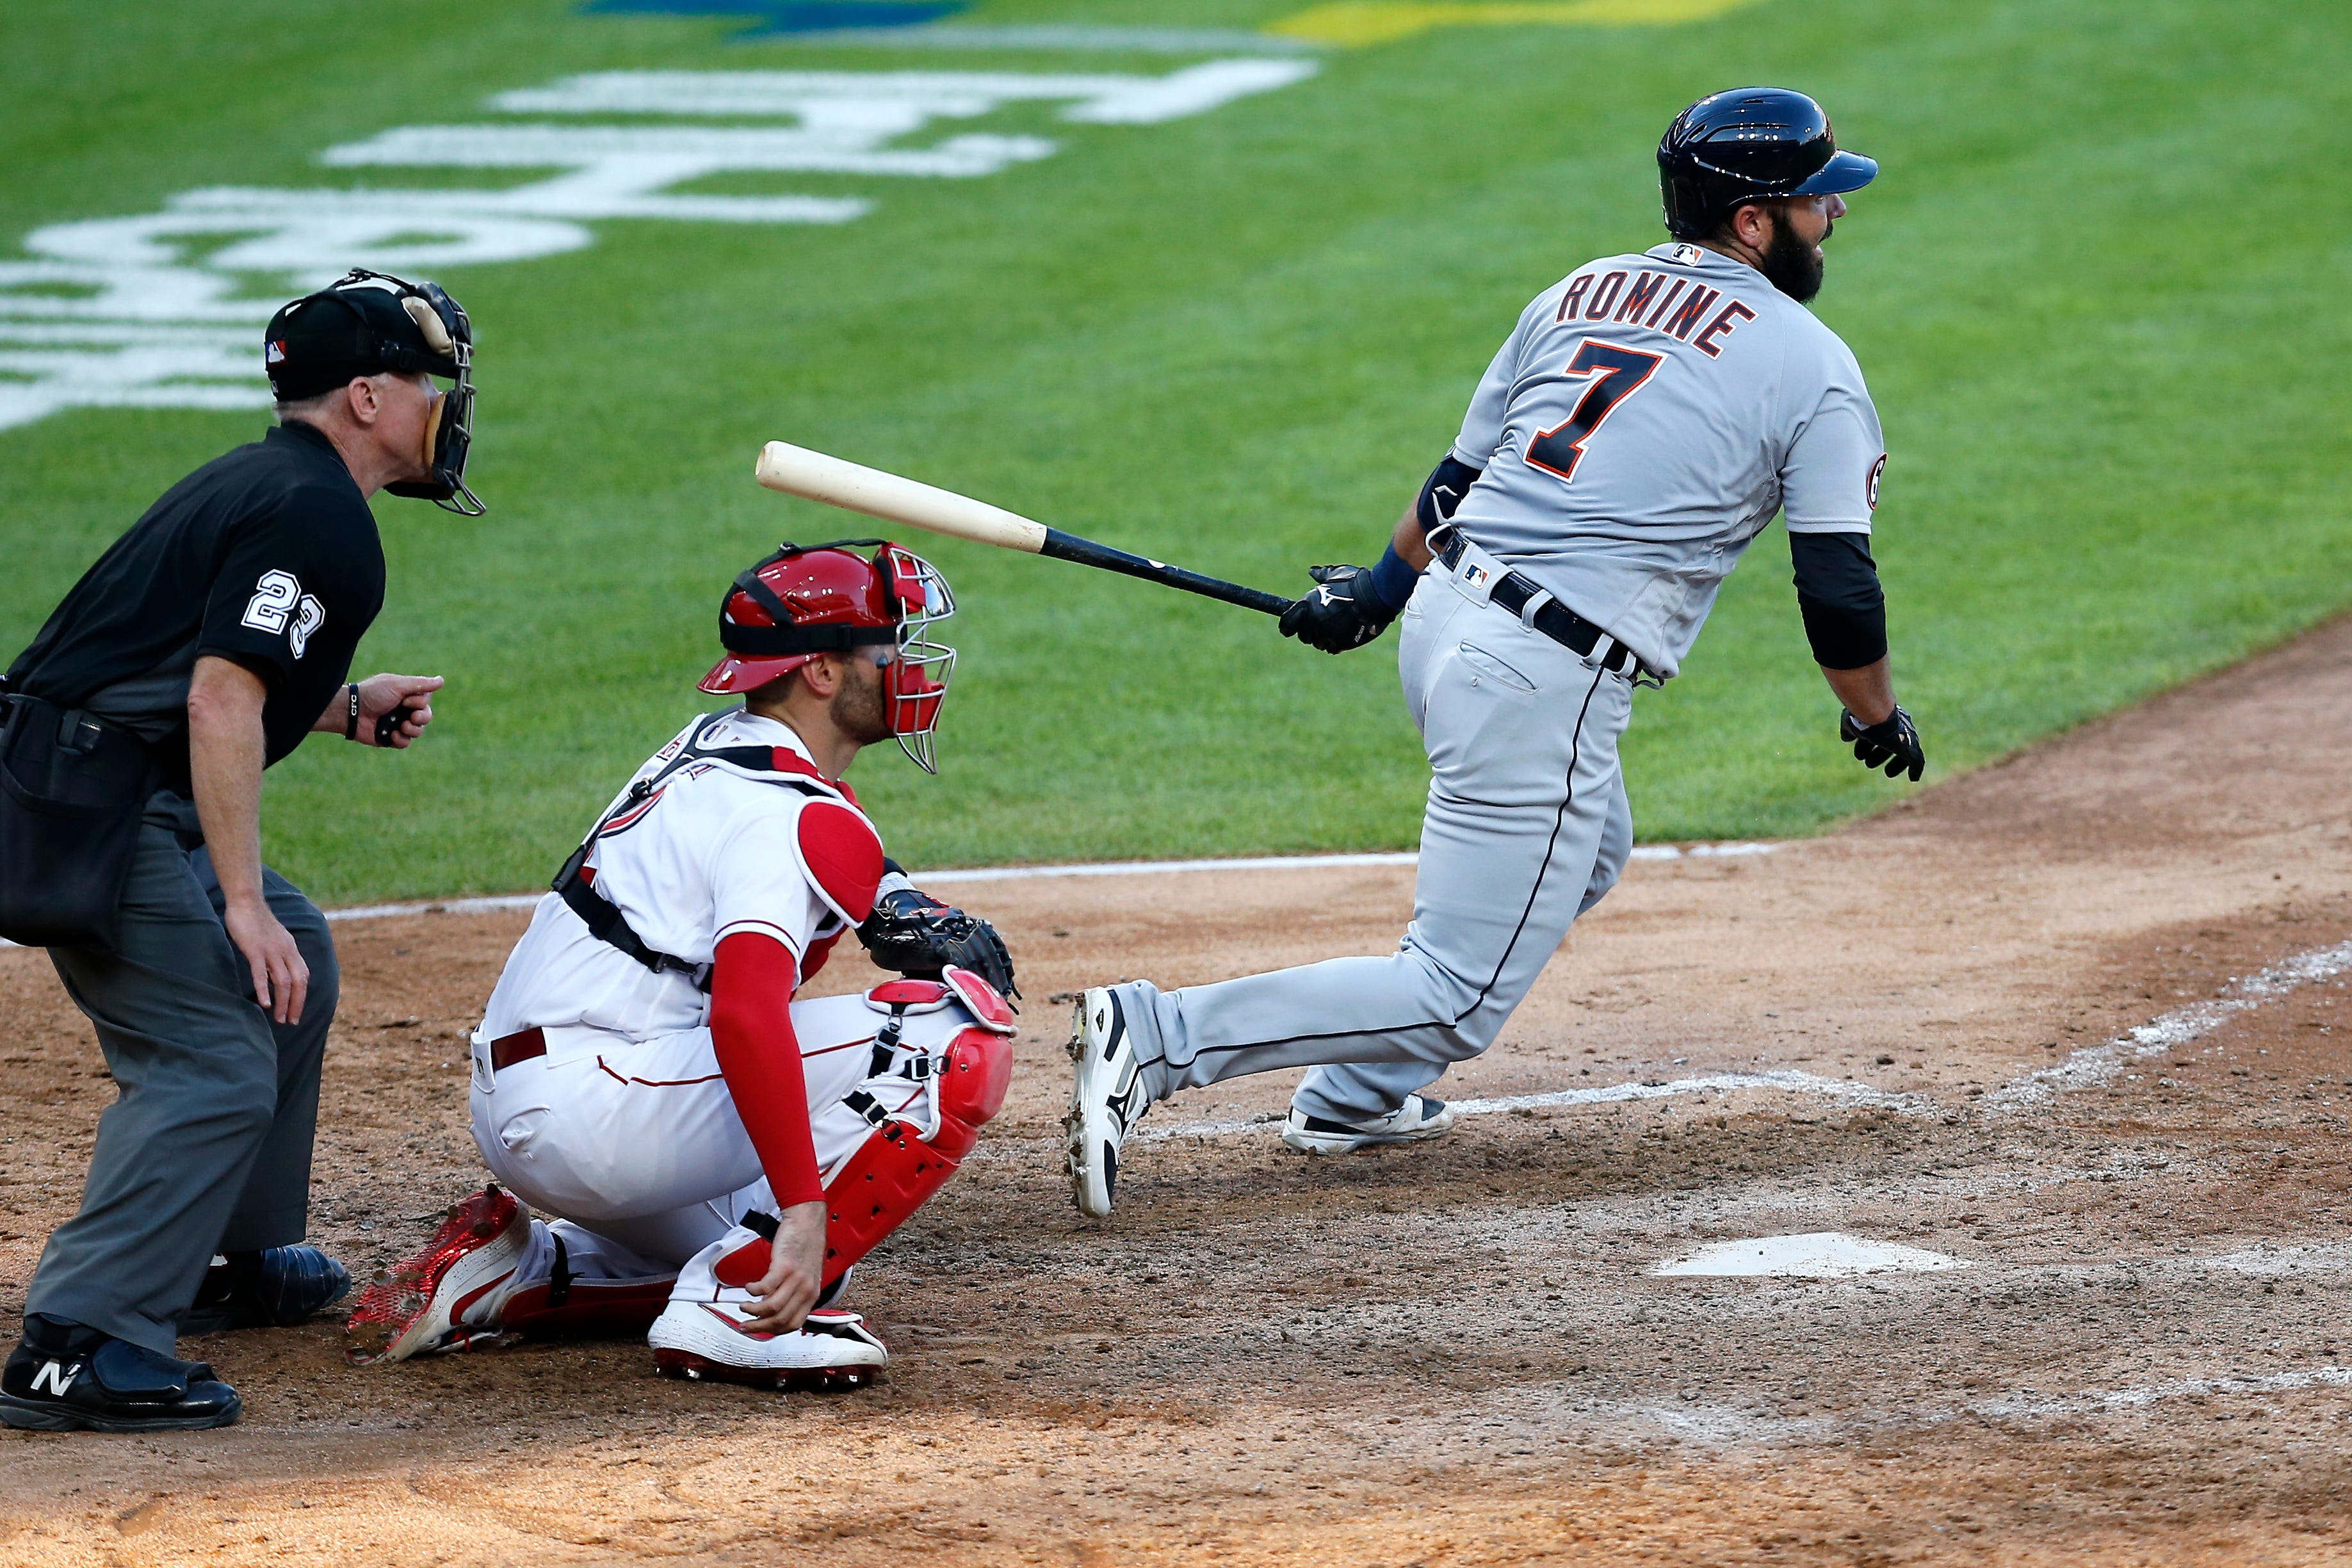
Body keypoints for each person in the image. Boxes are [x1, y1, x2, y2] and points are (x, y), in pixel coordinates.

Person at [1062, 86, 1927, 1216]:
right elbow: (1837, 586)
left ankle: (1356, 1092)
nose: (1834, 218)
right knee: (1453, 996)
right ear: (1753, 222)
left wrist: (1376, 596)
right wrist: (1872, 715)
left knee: (1591, 848)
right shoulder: (1810, 364)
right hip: (1540, 674)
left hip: (1446, 624)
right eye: (1816, 199)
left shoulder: (1581, 288)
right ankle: (1158, 1034)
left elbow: (1455, 479)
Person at [343, 542, 1018, 1390]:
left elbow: (809, 829)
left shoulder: (719, 742)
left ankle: (520, 1271)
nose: (907, 667)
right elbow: (744, 1012)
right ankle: (727, 1311)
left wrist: (895, 891)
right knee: (947, 1038)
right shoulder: (784, 815)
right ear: (818, 673)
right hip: (602, 1106)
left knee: (793, 1256)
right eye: (885, 650)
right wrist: (803, 1210)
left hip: (552, 1094)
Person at [0, 270, 478, 1430]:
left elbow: (188, 663)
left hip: (85, 775)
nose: (443, 406)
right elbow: (217, 701)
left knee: (296, 944)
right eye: (426, 383)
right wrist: (236, 902)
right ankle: (77, 1341)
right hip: (89, 802)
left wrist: (344, 703)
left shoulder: (280, 486)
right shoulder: (313, 512)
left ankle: (228, 1254)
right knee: (211, 1053)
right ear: (366, 396)